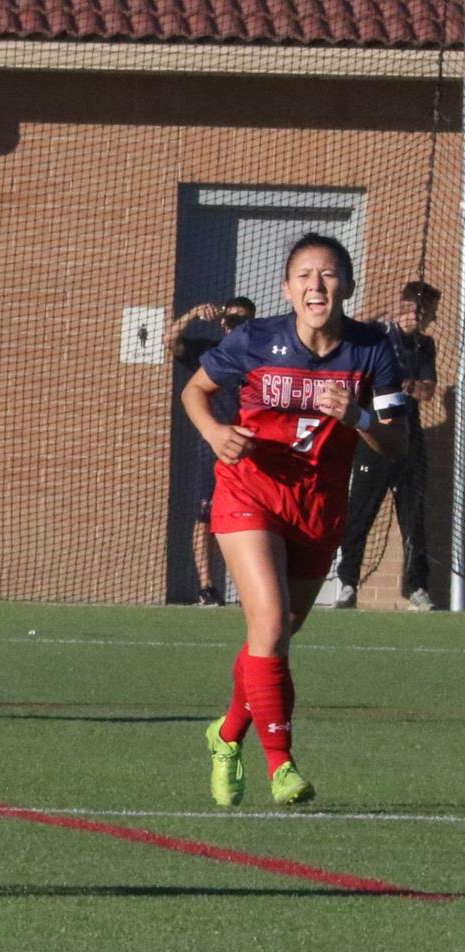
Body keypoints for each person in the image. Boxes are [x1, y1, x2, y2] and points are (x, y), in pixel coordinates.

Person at [185, 233, 406, 807]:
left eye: (329, 274)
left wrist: (357, 415)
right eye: (305, 275)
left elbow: (397, 443)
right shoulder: (256, 340)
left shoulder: (374, 350)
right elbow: (195, 391)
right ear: (287, 288)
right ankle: (281, 767)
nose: (317, 285)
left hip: (318, 506)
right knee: (273, 622)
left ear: (348, 286)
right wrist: (214, 433)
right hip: (249, 491)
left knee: (275, 637)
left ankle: (226, 733)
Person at [332, 281, 441, 610]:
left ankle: (418, 588)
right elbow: (352, 330)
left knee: (413, 515)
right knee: (361, 511)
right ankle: (348, 584)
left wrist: (406, 384)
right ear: (412, 310)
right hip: (374, 435)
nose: (431, 320)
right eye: (429, 314)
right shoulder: (377, 335)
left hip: (409, 437)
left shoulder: (424, 345)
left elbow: (426, 390)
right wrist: (387, 312)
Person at [165, 297, 256, 606]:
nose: (236, 327)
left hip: (251, 446)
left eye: (244, 322)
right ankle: (207, 586)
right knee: (204, 515)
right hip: (212, 444)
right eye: (232, 321)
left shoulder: (262, 355)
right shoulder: (209, 353)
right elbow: (170, 341)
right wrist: (192, 313)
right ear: (223, 323)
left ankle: (250, 586)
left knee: (249, 516)